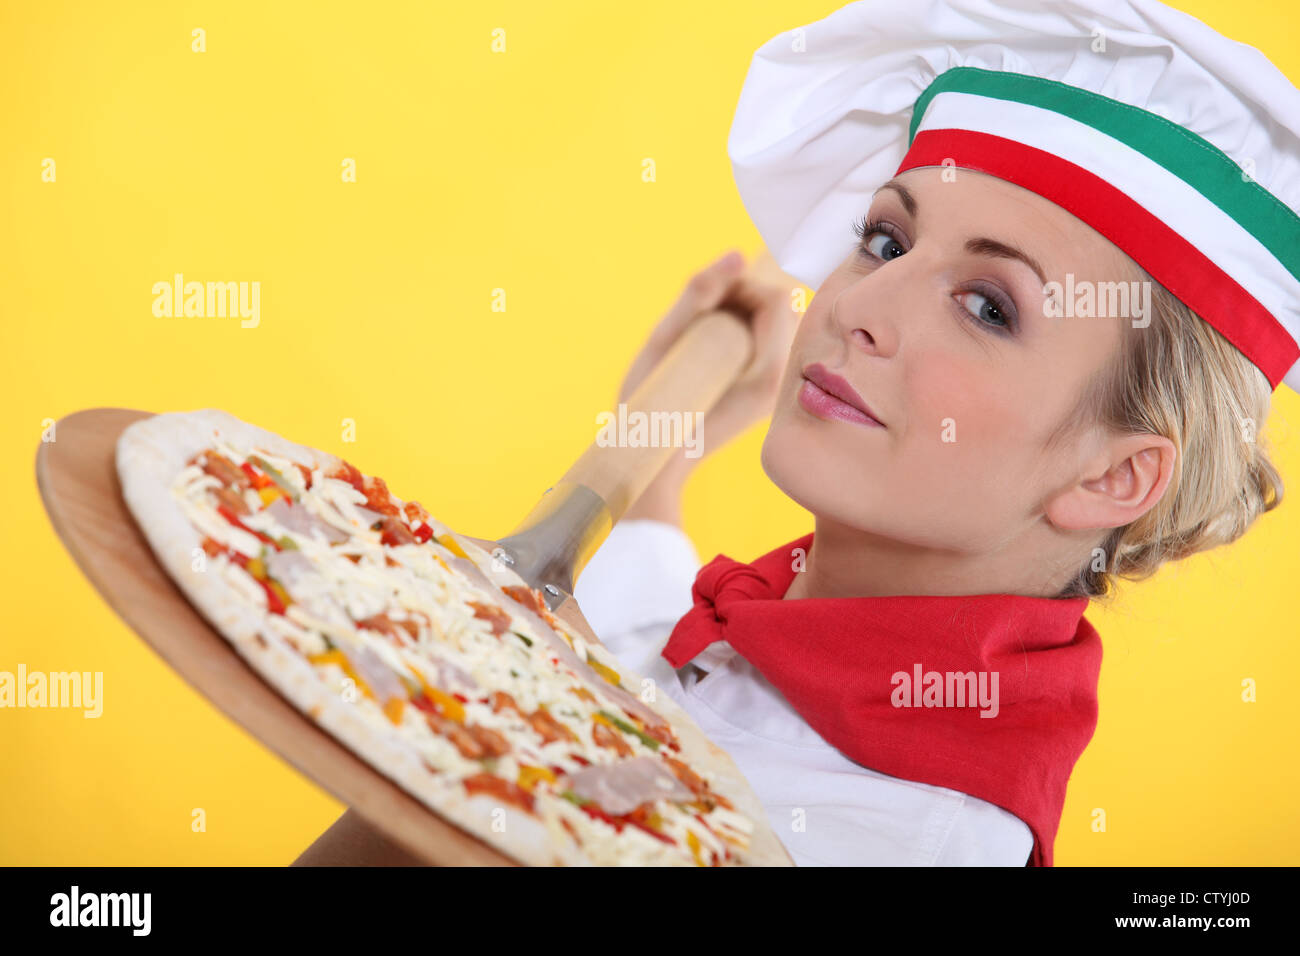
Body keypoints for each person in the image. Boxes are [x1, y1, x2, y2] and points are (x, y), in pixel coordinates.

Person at [294, 0, 1298, 866]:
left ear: (1116, 474)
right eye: (885, 239)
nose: (858, 304)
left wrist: (536, 700)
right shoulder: (752, 636)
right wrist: (653, 465)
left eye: (988, 305)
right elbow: (655, 648)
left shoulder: (880, 842)